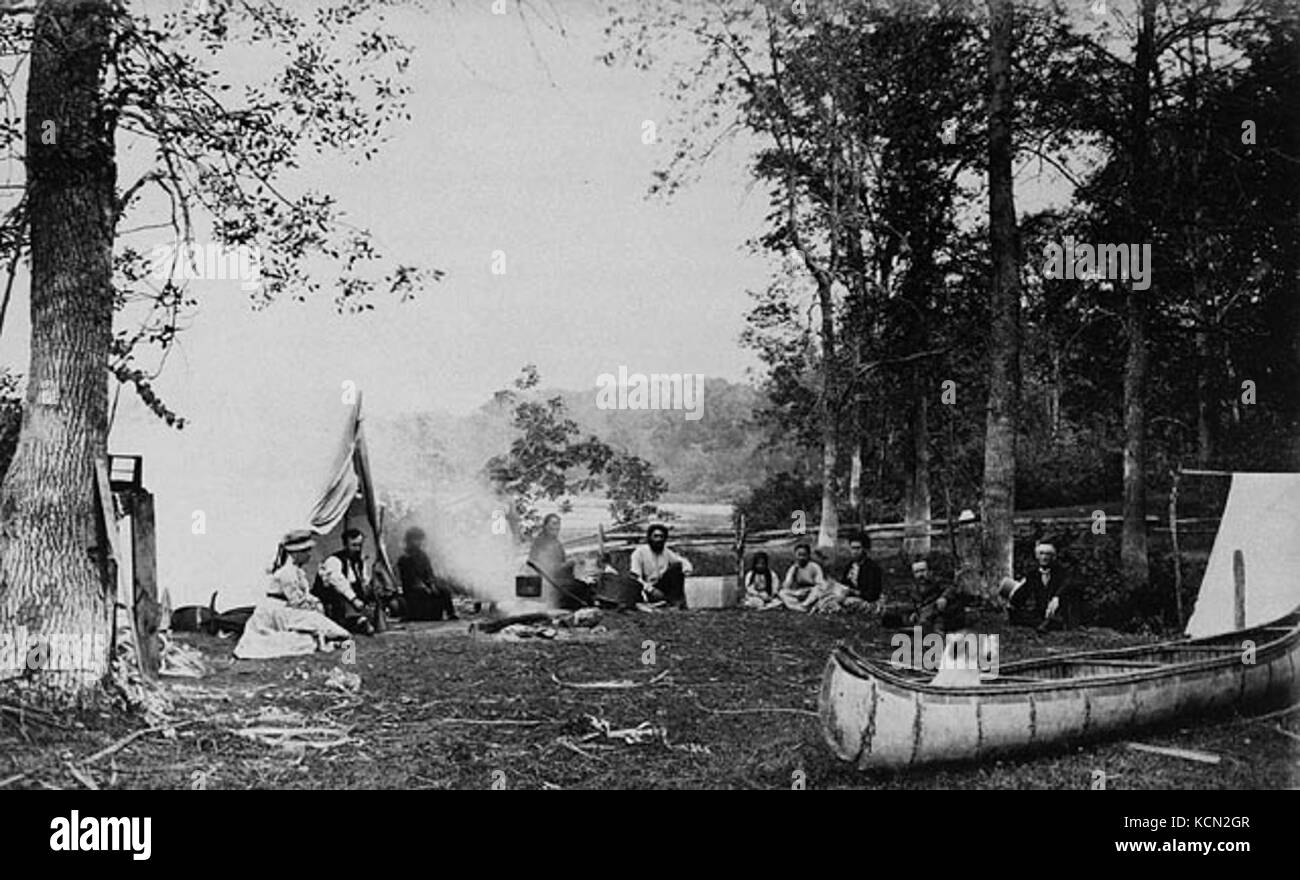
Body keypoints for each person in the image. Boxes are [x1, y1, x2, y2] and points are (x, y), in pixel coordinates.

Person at [234, 530, 352, 659]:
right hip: (276, 612)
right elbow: (297, 601)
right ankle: (336, 641)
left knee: (316, 626)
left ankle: (335, 639)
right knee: (312, 629)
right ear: (296, 554)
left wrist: (314, 603)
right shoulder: (287, 573)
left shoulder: (297, 571)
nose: (309, 555)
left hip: (288, 609)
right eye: (306, 551)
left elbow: (302, 596)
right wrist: (315, 607)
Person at [312, 527, 376, 636]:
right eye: (354, 545)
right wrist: (354, 599)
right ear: (345, 545)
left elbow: (363, 580)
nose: (357, 549)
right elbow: (338, 582)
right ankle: (352, 622)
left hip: (348, 598)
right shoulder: (334, 560)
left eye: (359, 545)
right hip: (330, 598)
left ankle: (360, 621)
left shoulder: (359, 562)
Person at [1002, 542, 1074, 632]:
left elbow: (1067, 584)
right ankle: (1043, 624)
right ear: (1037, 556)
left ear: (1053, 557)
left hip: (1057, 611)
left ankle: (1049, 623)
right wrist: (1012, 603)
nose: (1044, 557)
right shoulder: (1032, 574)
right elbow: (1023, 593)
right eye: (1041, 554)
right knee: (1018, 615)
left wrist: (1056, 598)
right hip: (1040, 611)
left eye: (1048, 554)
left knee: (1058, 617)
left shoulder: (1061, 572)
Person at [527, 514, 591, 609]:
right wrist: (572, 562)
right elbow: (549, 569)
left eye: (558, 524)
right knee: (582, 588)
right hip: (548, 583)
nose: (557, 526)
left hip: (555, 580)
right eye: (554, 523)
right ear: (545, 526)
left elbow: (559, 563)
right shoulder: (542, 543)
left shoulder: (555, 542)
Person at [814, 533, 885, 614]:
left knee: (847, 602)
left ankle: (837, 609)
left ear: (865, 549)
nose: (854, 552)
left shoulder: (872, 568)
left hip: (869, 601)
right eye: (852, 548)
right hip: (852, 597)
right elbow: (844, 584)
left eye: (857, 548)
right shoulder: (851, 565)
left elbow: (872, 594)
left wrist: (852, 592)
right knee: (826, 595)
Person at [396, 526, 456, 621]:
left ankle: (451, 614)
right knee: (422, 593)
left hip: (425, 585)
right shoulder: (404, 559)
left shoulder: (423, 556)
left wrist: (432, 585)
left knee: (444, 591)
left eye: (419, 539)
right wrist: (424, 587)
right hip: (413, 591)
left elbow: (429, 573)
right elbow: (410, 579)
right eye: (415, 539)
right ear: (409, 541)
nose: (418, 542)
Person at [629, 523, 693, 607]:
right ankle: (666, 602)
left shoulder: (666, 552)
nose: (658, 539)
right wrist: (651, 590)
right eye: (655, 536)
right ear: (649, 538)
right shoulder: (639, 553)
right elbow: (635, 576)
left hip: (662, 586)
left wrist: (687, 569)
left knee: (676, 567)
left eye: (661, 537)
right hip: (647, 589)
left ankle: (676, 603)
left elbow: (681, 561)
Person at [907, 559, 964, 635]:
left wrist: (944, 597)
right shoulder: (913, 587)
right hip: (922, 616)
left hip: (939, 614)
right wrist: (914, 612)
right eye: (917, 572)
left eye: (923, 571)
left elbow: (951, 587)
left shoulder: (937, 581)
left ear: (928, 571)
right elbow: (914, 602)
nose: (920, 574)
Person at [779, 543, 829, 611]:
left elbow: (820, 584)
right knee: (782, 593)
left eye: (804, 555)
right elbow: (786, 585)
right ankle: (800, 607)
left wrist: (809, 590)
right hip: (798, 592)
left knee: (817, 590)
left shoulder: (814, 567)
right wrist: (797, 592)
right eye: (799, 555)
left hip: (811, 592)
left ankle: (805, 605)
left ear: (808, 556)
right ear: (795, 555)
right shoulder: (793, 568)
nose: (801, 558)